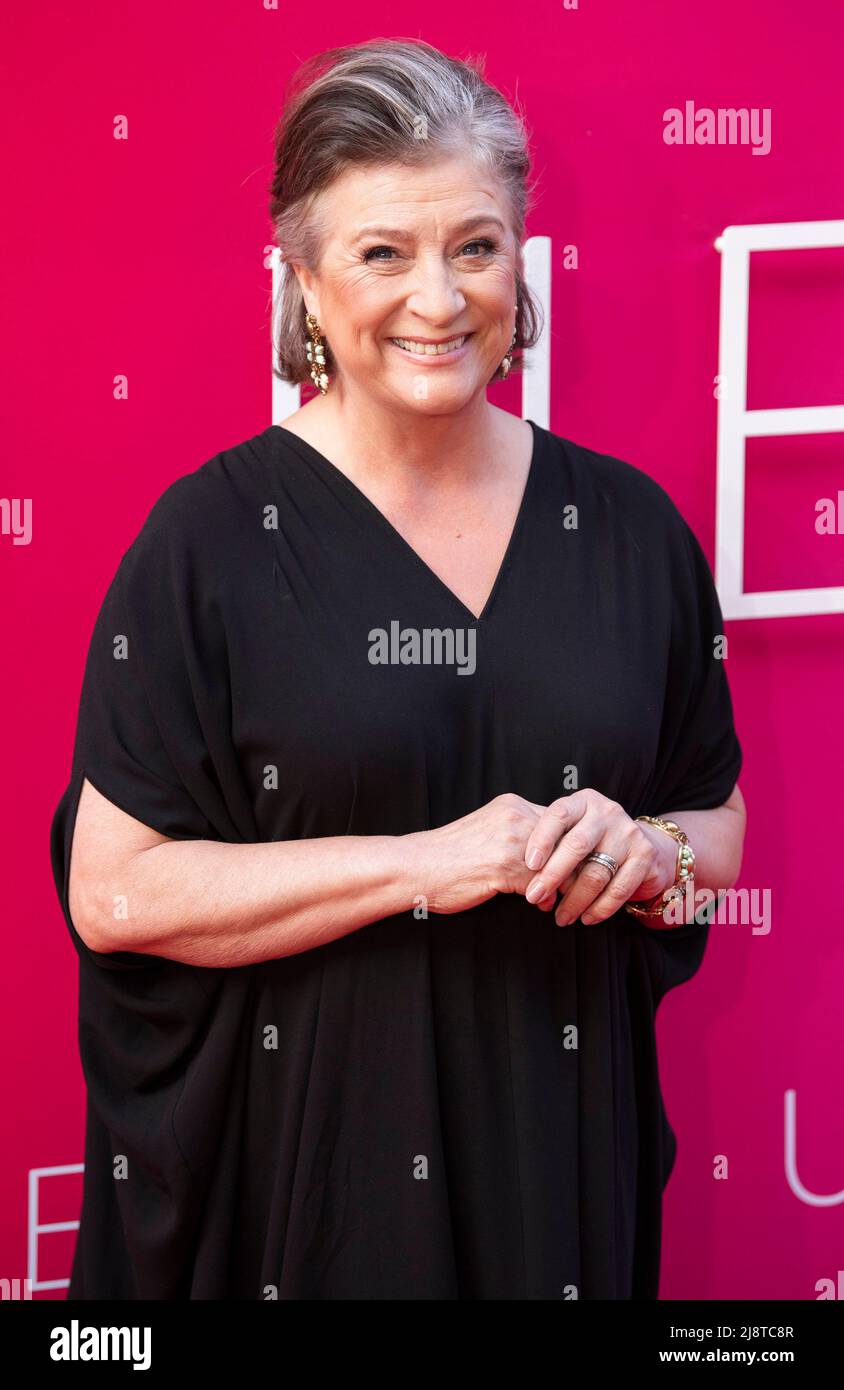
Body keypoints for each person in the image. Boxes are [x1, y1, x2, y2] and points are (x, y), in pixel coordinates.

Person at [50, 37, 745, 1300]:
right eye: (383, 253)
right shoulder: (206, 544)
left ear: (521, 260)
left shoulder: (633, 529)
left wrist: (649, 857)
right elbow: (114, 895)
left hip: (557, 1162)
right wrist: (442, 860)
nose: (440, 299)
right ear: (304, 283)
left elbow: (718, 820)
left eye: (474, 245)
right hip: (306, 1187)